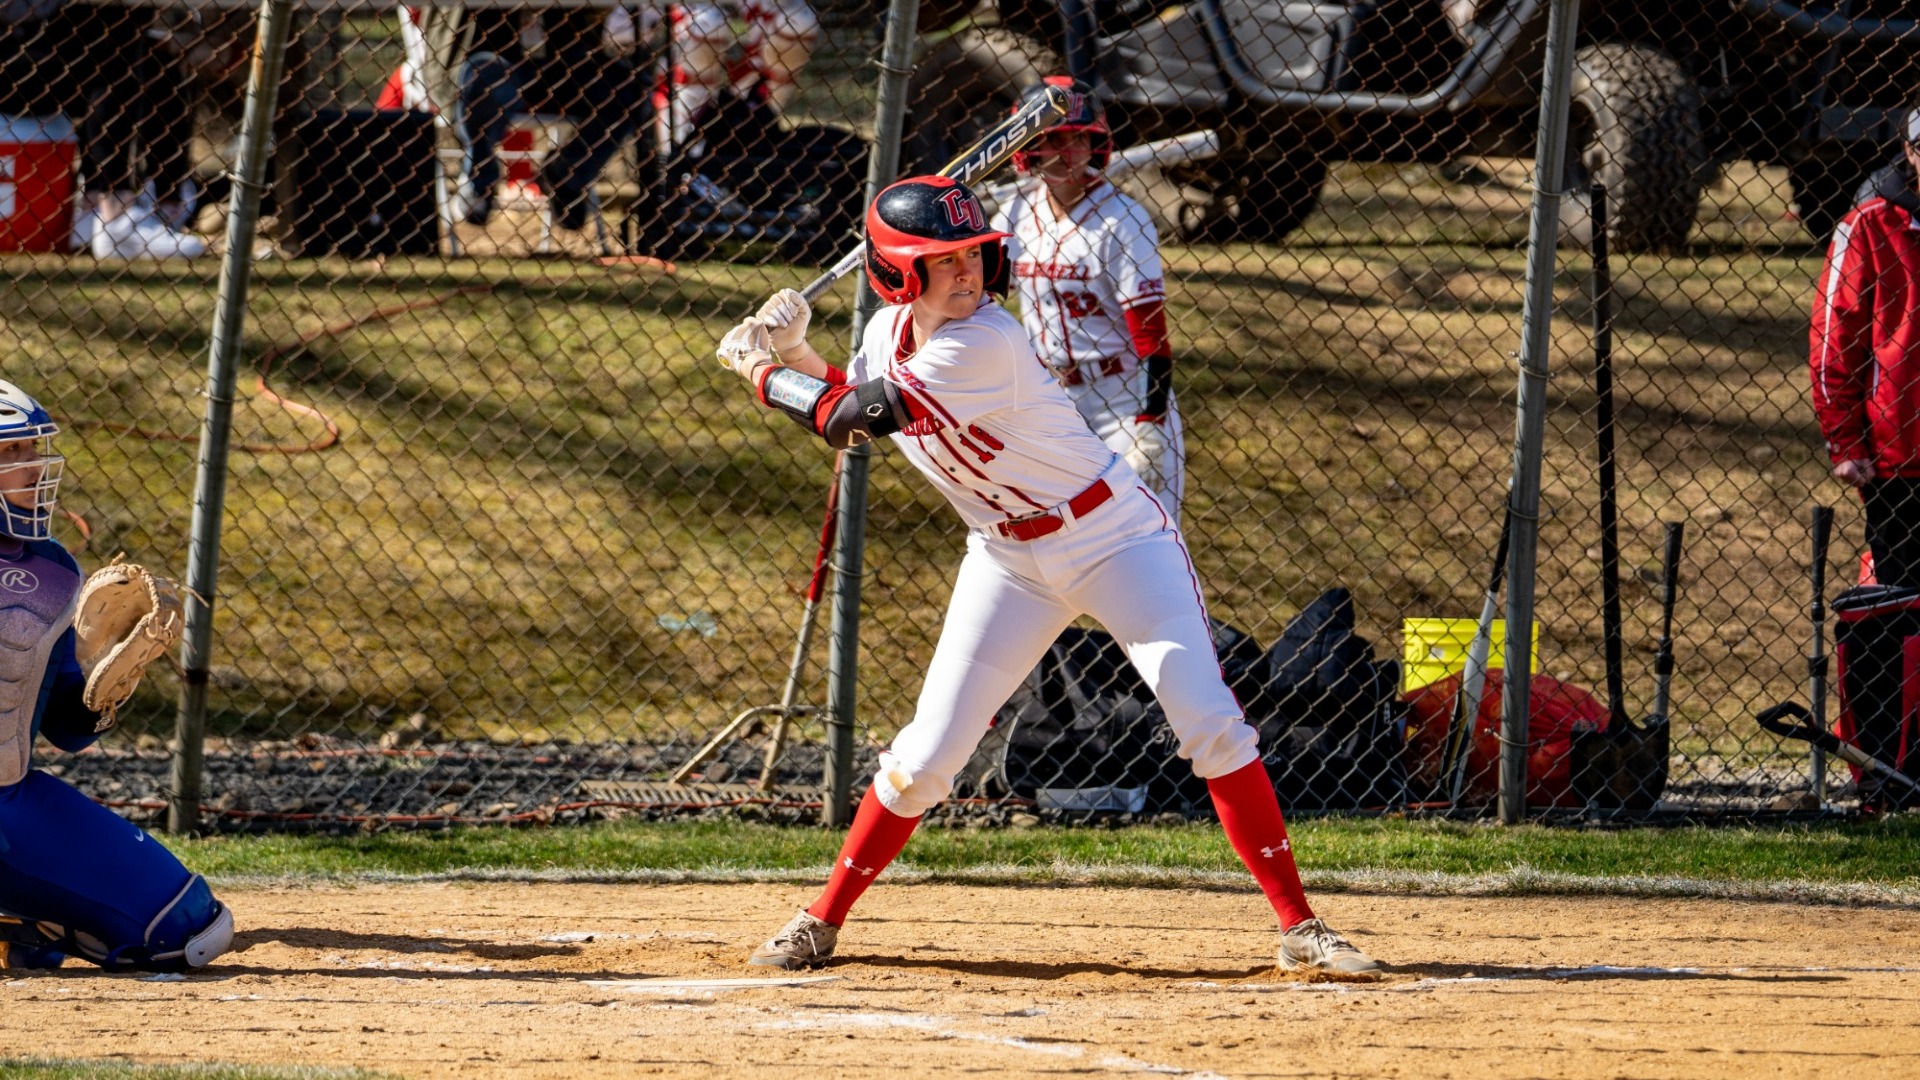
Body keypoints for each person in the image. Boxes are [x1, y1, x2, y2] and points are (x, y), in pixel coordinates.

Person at [713, 175, 1381, 979]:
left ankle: (1299, 925)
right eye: (944, 261)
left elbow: (851, 421)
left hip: (1115, 539)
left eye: (974, 257)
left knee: (1207, 720)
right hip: (1007, 557)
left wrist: (757, 373)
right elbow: (848, 392)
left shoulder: (983, 341)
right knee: (926, 759)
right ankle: (820, 920)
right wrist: (792, 353)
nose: (967, 274)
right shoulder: (892, 333)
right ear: (898, 276)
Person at [0, 379, 234, 972]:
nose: (33, 468)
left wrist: (99, 687)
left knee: (186, 929)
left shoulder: (51, 570)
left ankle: (27, 913)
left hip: (7, 797)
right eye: (10, 454)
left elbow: (65, 731)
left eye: (34, 449)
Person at [990, 77, 1185, 521]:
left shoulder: (1123, 219)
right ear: (1029, 146)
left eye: (1080, 137)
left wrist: (1149, 423)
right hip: (1051, 401)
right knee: (1063, 536)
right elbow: (985, 297)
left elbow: (1151, 336)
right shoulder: (1017, 212)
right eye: (1053, 137)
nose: (1068, 150)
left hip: (1123, 398)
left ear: (1097, 144)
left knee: (1144, 533)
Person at [1811, 103, 1920, 589]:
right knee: (1902, 601)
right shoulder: (1870, 224)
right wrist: (1846, 441)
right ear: (1909, 152)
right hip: (1901, 456)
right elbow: (1835, 340)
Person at [449, 7, 644, 231]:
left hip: (565, 60)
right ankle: (479, 179)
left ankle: (568, 174)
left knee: (628, 91)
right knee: (482, 75)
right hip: (499, 57)